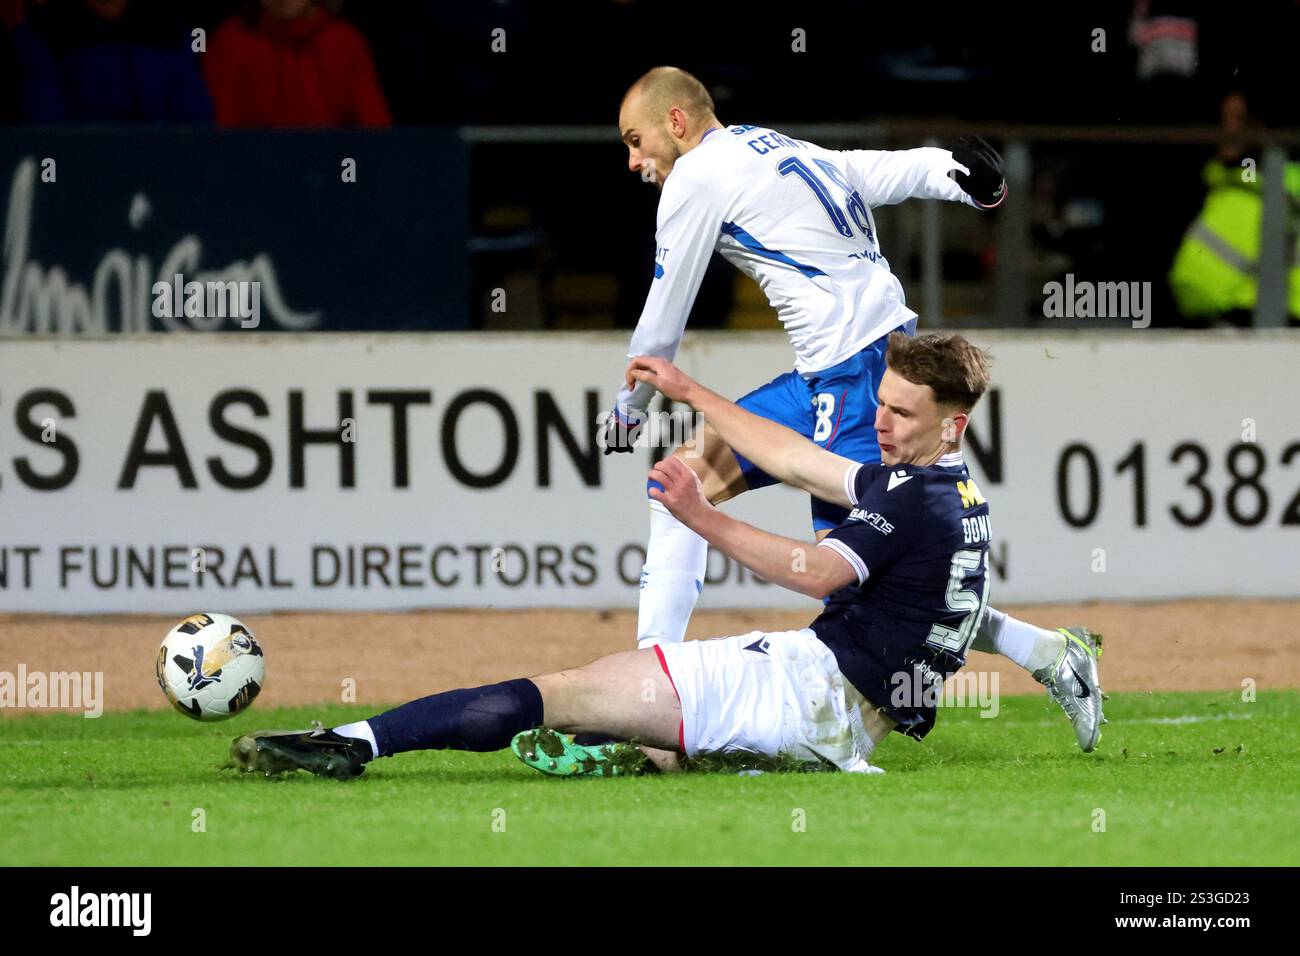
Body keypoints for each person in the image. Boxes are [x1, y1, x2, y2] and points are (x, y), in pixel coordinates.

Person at [228, 334, 1100, 781]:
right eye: (883, 404)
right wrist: (694, 395)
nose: (882, 423)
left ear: (952, 423)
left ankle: (351, 744)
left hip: (799, 689)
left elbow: (814, 572)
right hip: (846, 722)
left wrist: (699, 514)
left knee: (559, 689)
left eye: (903, 414)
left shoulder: (912, 500)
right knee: (643, 716)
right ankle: (656, 744)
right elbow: (797, 457)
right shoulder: (953, 494)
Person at [601, 66, 1104, 750]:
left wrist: (631, 406)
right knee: (679, 485)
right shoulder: (775, 148)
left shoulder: (696, 177)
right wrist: (961, 176)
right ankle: (644, 693)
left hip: (861, 379)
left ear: (678, 123)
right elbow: (878, 170)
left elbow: (665, 316)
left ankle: (1050, 656)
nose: (634, 160)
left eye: (636, 140)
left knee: (862, 575)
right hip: (831, 374)